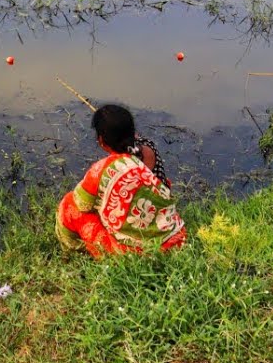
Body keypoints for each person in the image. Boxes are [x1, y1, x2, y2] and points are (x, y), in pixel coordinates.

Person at [56, 104, 186, 258]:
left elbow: (81, 203)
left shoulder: (101, 169)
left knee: (69, 204)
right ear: (133, 133)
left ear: (101, 141)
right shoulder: (149, 149)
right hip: (176, 240)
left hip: (140, 254)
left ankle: (72, 253)